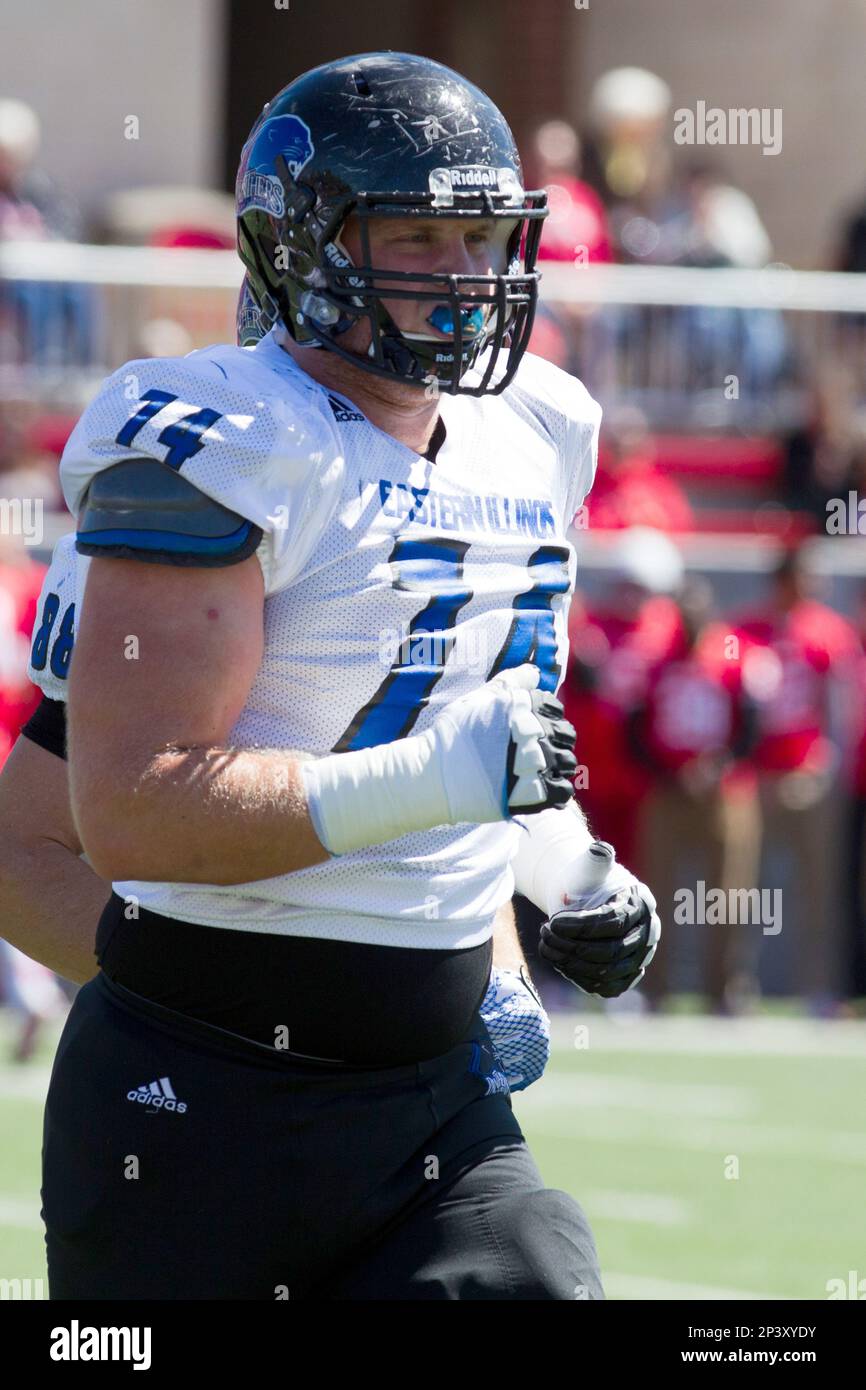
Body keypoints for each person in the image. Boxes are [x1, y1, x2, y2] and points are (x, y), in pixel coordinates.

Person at [14, 52, 659, 1301]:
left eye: (481, 236)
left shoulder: (537, 430)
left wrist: (557, 872)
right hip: (193, 1112)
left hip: (437, 1110)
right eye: (415, 233)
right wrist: (267, 994)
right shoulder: (218, 441)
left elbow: (482, 740)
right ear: (297, 244)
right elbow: (127, 811)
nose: (465, 275)